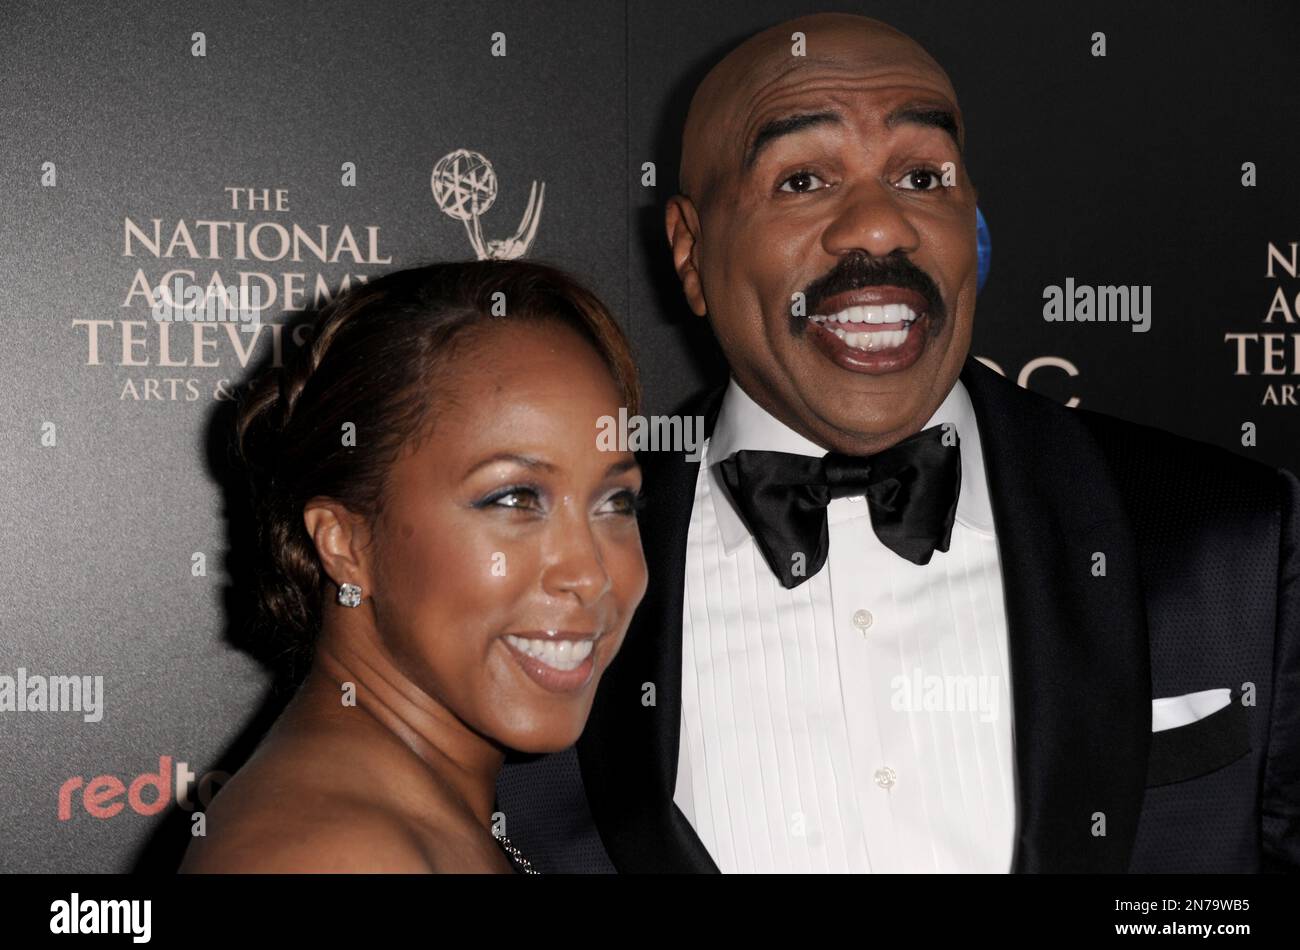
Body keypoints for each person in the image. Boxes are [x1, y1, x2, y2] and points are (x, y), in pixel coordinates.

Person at [495, 12, 1300, 872]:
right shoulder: (542, 580)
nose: (880, 228)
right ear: (691, 254)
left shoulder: (1228, 539)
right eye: (803, 180)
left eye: (923, 173)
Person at [179, 260, 648, 873]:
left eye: (615, 501)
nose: (590, 574)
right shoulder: (326, 858)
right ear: (346, 542)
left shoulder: (425, 814)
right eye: (513, 498)